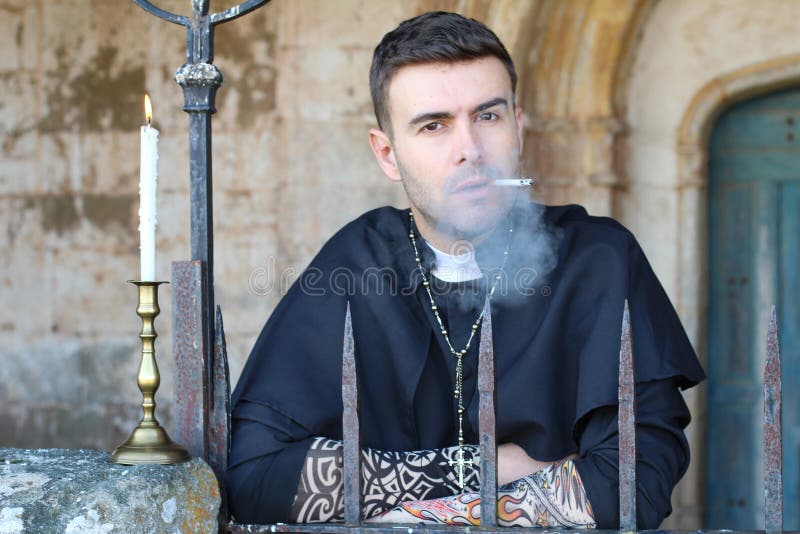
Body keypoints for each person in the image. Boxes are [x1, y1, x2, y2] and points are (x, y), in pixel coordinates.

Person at [228, 11, 705, 529]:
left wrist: (398, 508)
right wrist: (482, 469)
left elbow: (636, 486)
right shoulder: (354, 263)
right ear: (387, 154)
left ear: (518, 128)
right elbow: (253, 478)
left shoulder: (599, 259)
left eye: (488, 116)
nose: (470, 151)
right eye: (434, 126)